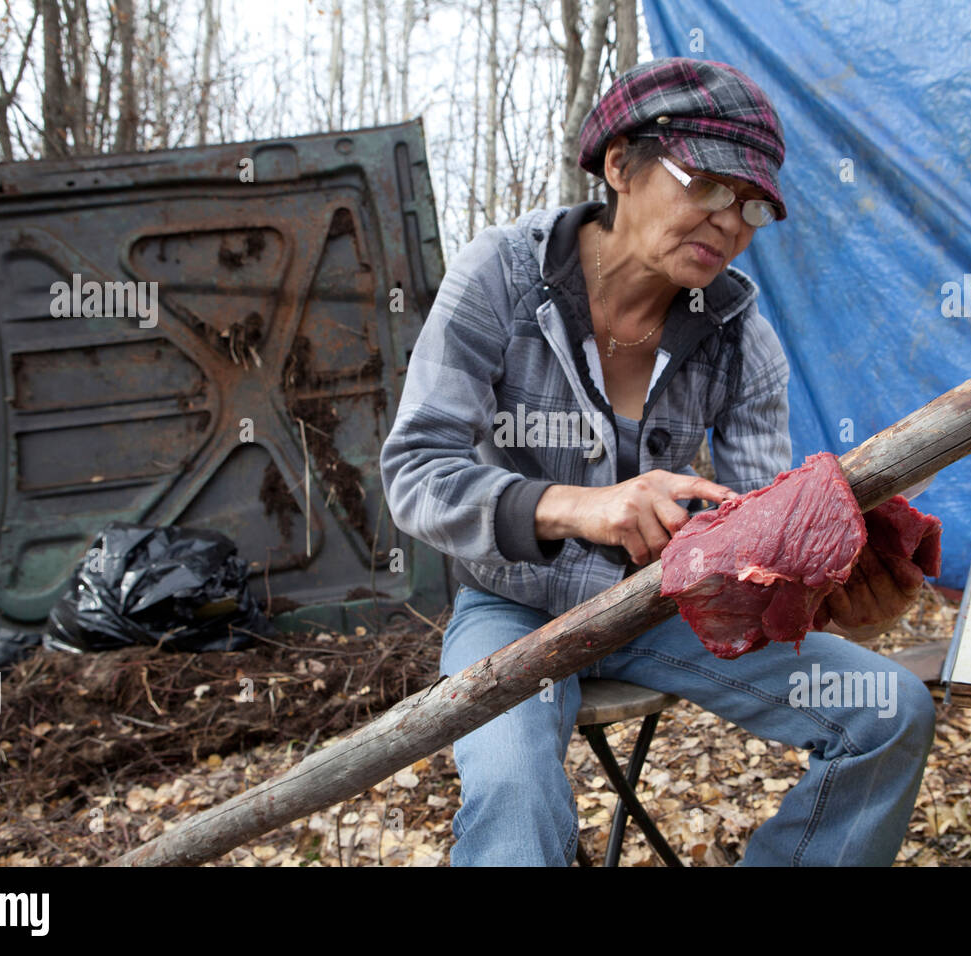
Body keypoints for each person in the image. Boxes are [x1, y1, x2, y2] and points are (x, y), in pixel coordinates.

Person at [380, 57, 936, 866]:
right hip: (513, 611)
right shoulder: (500, 276)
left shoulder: (742, 336)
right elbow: (415, 474)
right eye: (708, 186)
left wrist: (818, 596)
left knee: (887, 709)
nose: (732, 221)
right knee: (513, 790)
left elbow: (749, 541)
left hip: (661, 609)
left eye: (752, 205)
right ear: (620, 164)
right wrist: (571, 505)